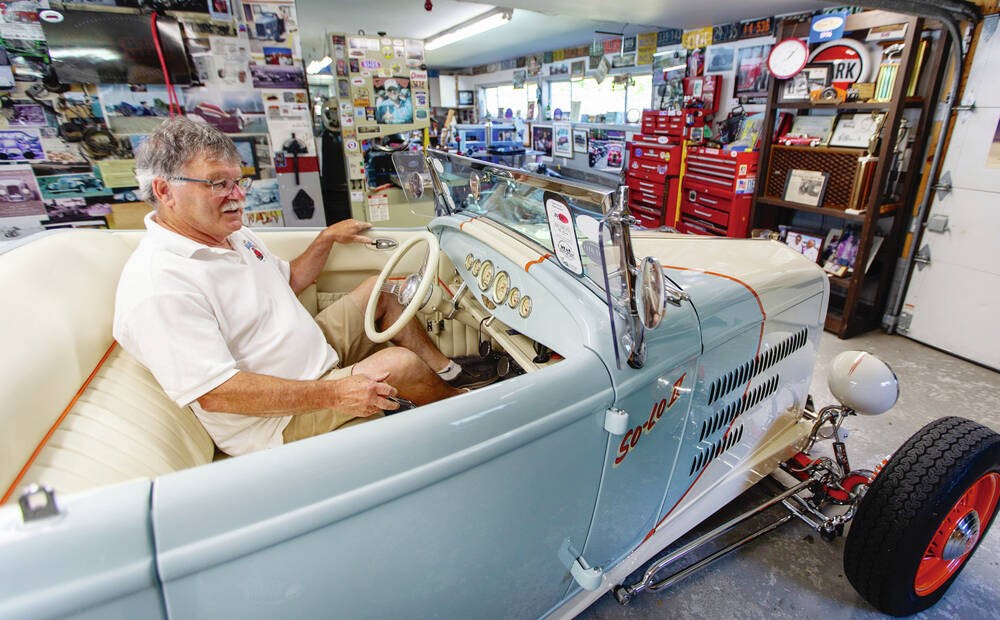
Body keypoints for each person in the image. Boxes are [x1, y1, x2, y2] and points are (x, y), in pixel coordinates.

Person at [114, 117, 494, 457]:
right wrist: (336, 393)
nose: (237, 196)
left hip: (312, 355)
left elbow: (288, 280)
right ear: (165, 191)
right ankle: (465, 417)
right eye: (218, 184)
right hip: (275, 421)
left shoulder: (231, 235)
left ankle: (448, 374)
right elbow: (216, 394)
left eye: (237, 181)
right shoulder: (159, 285)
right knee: (398, 365)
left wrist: (325, 239)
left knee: (382, 292)